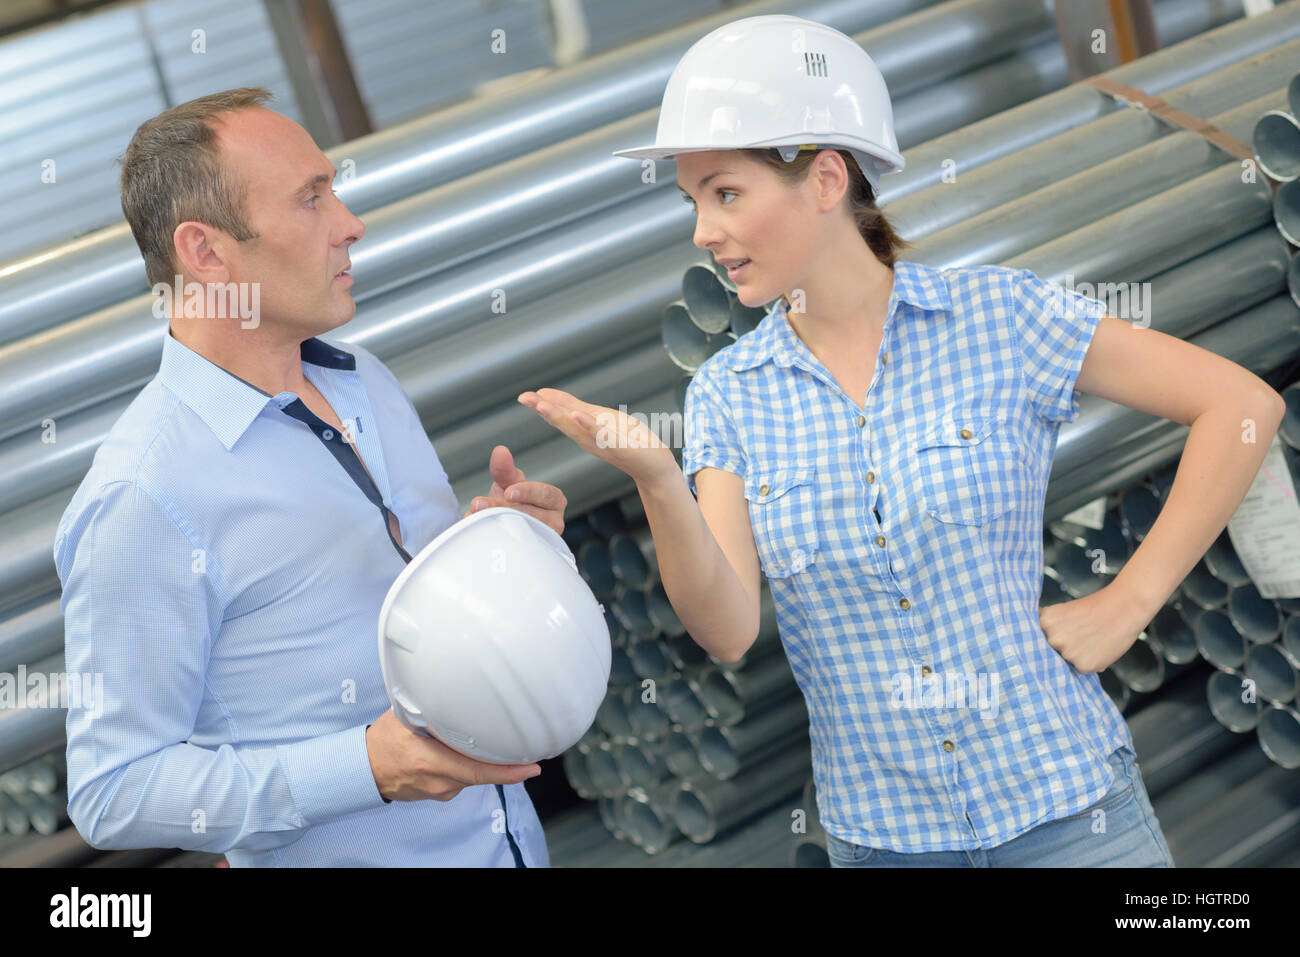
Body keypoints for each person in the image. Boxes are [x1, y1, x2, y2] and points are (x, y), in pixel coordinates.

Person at [518, 15, 1286, 867]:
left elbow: (1239, 403)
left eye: (725, 192)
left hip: (1070, 811)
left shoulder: (998, 318)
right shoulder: (728, 396)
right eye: (692, 201)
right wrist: (660, 482)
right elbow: (728, 629)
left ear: (825, 178)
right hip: (888, 840)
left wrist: (1129, 601)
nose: (702, 230)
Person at [53, 87, 568, 867]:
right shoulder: (143, 496)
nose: (350, 223)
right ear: (206, 251)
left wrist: (500, 549)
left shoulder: (365, 380)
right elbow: (113, 789)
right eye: (311, 198)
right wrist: (363, 767)